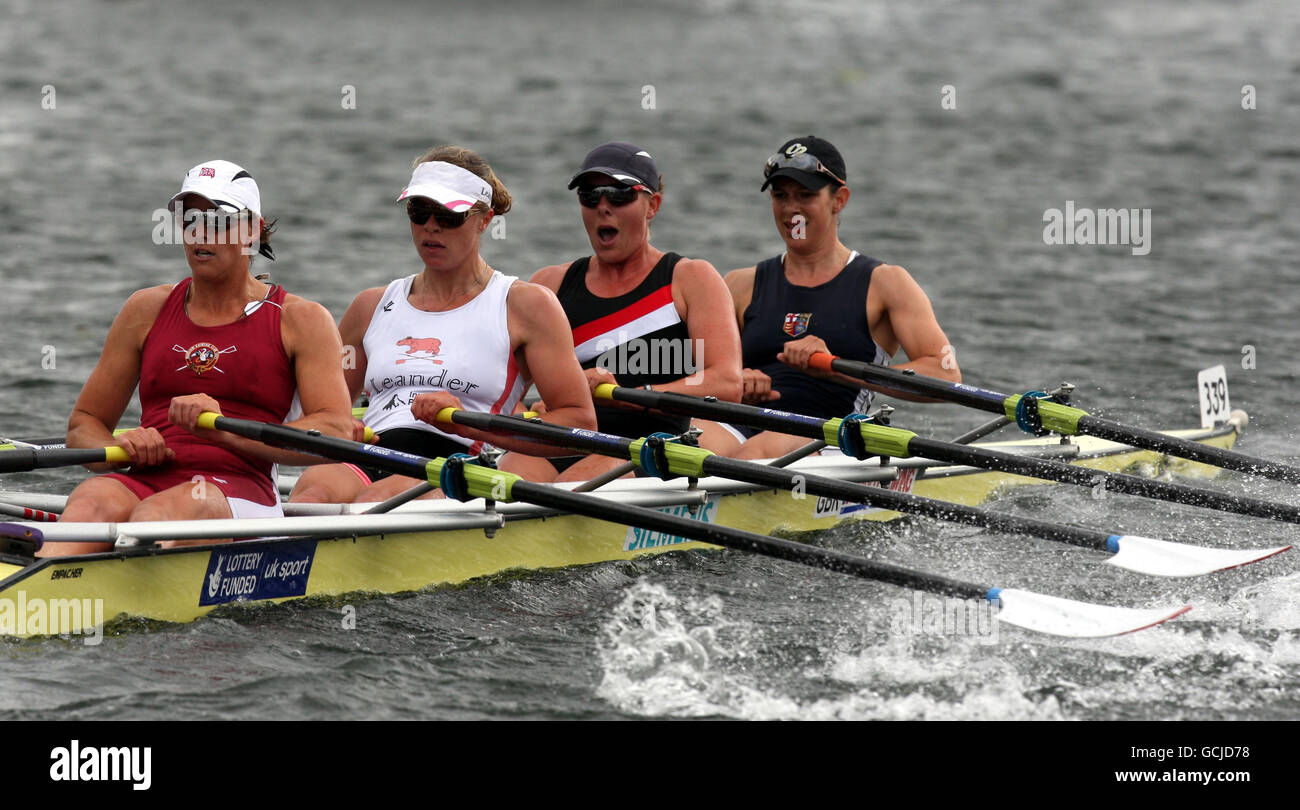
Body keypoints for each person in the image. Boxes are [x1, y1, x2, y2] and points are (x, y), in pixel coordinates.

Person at [50, 160, 354, 555]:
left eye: (218, 219)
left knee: (155, 517)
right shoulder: (145, 309)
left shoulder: (300, 320)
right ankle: (34, 602)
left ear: (254, 230)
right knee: (90, 500)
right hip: (150, 477)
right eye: (190, 218)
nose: (200, 232)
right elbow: (83, 425)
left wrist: (225, 431)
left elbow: (334, 432)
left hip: (239, 492)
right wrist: (118, 452)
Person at [290, 146, 595, 504]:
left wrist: (465, 422)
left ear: (485, 219)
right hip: (368, 453)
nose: (431, 226)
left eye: (449, 216)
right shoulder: (369, 307)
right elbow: (325, 413)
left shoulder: (526, 306)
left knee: (374, 504)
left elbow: (580, 425)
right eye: (419, 212)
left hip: (455, 462)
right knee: (310, 496)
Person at [695, 136, 961, 460]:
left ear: (840, 199)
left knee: (763, 450)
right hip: (743, 422)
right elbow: (701, 372)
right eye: (781, 196)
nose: (791, 209)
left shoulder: (886, 284)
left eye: (806, 195)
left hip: (829, 434)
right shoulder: (740, 284)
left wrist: (837, 369)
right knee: (693, 442)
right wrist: (735, 382)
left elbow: (946, 373)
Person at [509, 142, 742, 482]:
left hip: (652, 444)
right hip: (567, 440)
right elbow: (505, 390)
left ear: (653, 205)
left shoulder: (691, 279)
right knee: (506, 481)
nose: (603, 206)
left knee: (575, 487)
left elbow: (726, 382)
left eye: (619, 194)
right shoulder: (551, 285)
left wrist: (633, 397)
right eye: (590, 196)